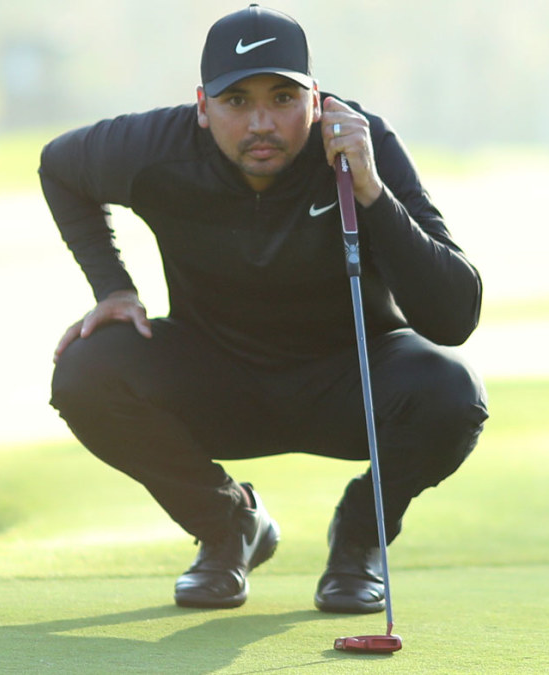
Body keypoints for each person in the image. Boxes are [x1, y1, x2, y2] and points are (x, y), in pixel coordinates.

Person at [39, 4, 488, 613]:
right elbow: (59, 167)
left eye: (282, 98)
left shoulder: (363, 143)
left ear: (315, 98)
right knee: (86, 372)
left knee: (453, 394)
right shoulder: (157, 147)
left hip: (350, 379)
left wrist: (371, 192)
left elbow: (453, 317)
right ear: (203, 106)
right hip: (217, 378)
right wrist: (112, 287)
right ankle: (229, 529)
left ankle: (359, 536)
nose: (261, 123)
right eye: (236, 101)